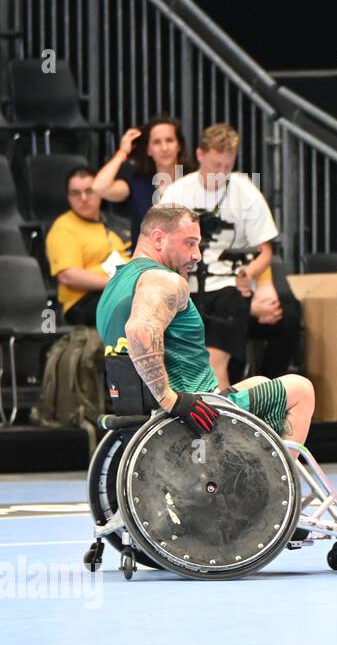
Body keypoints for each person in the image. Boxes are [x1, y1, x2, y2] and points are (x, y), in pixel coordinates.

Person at [95, 203, 315, 445]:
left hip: (147, 408)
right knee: (301, 389)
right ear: (158, 239)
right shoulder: (164, 279)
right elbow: (139, 332)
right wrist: (170, 399)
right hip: (199, 412)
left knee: (260, 382)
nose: (197, 255)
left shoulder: (116, 282)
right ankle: (275, 481)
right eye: (189, 243)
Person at [159, 123, 279, 389]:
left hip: (229, 285)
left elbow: (265, 251)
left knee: (215, 362)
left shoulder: (245, 191)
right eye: (216, 165)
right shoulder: (177, 192)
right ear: (200, 155)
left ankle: (225, 416)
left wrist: (250, 275)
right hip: (185, 287)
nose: (222, 172)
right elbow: (160, 246)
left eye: (228, 165)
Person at [91, 115, 196, 251]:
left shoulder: (193, 180)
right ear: (148, 150)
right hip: (146, 266)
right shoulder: (137, 183)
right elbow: (98, 188)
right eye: (157, 142)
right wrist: (122, 152)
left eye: (169, 140)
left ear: (179, 145)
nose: (164, 148)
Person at [45, 166, 131, 327]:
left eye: (89, 191)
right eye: (76, 193)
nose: (83, 198)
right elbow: (68, 275)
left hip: (121, 291)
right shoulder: (64, 228)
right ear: (68, 197)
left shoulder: (117, 223)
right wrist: (115, 283)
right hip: (84, 301)